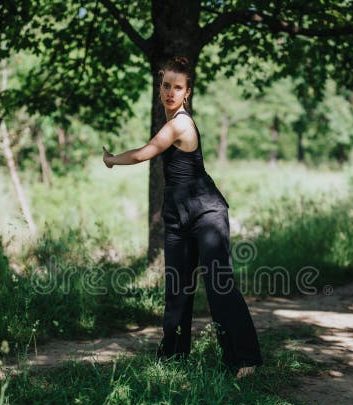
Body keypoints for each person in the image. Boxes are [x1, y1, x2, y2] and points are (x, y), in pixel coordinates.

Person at [102, 55, 262, 378]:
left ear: (187, 92)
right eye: (166, 86)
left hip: (207, 212)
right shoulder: (169, 117)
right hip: (179, 214)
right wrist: (167, 207)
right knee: (176, 288)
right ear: (160, 86)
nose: (171, 93)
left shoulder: (181, 123)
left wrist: (111, 160)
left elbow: (147, 152)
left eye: (178, 88)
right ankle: (173, 359)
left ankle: (245, 359)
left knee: (218, 284)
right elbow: (177, 173)